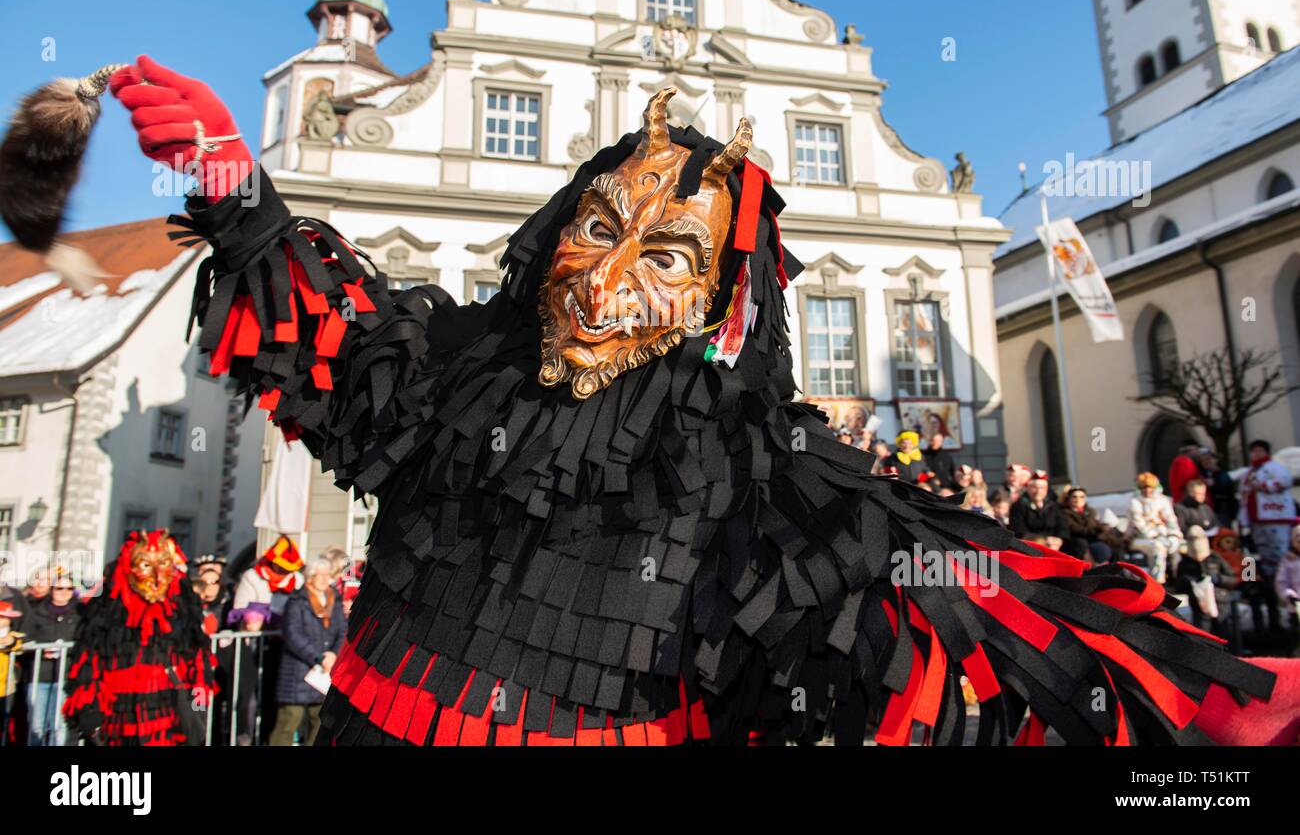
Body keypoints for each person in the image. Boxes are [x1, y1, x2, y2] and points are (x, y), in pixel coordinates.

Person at [100, 56, 1296, 746]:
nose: (610, 277)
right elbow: (328, 349)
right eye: (600, 227)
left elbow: (962, 595)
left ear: (721, 306)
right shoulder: (457, 376)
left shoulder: (749, 471)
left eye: (668, 257)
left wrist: (1218, 696)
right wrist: (239, 197)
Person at [63, 531, 217, 745]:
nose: (156, 576)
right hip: (117, 716)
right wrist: (89, 711)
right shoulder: (107, 612)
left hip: (167, 715)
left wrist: (198, 710)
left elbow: (198, 666)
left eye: (163, 564)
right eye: (145, 565)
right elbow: (88, 662)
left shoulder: (181, 610)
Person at [270, 558, 345, 746]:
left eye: (327, 574)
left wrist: (333, 654)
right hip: (298, 670)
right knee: (289, 721)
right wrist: (317, 657)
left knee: (319, 722)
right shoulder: (297, 600)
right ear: (310, 576)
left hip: (323, 672)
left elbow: (342, 629)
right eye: (320, 574)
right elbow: (293, 634)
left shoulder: (333, 598)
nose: (324, 578)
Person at [1238, 439, 1298, 628]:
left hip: (1274, 515)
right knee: (1251, 556)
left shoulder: (1273, 467)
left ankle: (1275, 612)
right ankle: (1254, 595)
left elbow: (1285, 481)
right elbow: (1244, 496)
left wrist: (1263, 486)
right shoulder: (1250, 471)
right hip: (1254, 520)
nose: (1256, 454)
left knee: (1275, 555)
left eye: (1259, 451)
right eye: (1253, 451)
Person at [24, 571, 80, 745]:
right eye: (59, 588)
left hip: (66, 676)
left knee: (59, 726)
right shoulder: (36, 613)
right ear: (52, 590)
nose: (64, 592)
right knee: (37, 725)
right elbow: (25, 637)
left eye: (69, 588)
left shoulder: (79, 614)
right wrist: (40, 648)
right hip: (40, 676)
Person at [1174, 526, 1238, 638]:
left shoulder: (1215, 558)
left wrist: (1218, 579)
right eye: (1193, 539)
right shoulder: (1185, 562)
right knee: (1204, 636)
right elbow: (1178, 586)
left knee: (1225, 634)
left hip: (1220, 601)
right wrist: (1189, 582)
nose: (1196, 542)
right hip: (1199, 603)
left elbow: (1232, 578)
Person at [1128, 472, 1185, 584]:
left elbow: (1171, 519)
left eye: (1150, 487)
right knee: (1157, 548)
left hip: (1163, 535)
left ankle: (1176, 578)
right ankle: (1158, 582)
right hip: (1140, 538)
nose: (1147, 490)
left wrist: (1174, 534)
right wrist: (1156, 534)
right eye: (1144, 487)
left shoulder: (1163, 500)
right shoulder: (1135, 502)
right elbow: (1139, 525)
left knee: (1177, 546)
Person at [1058, 486, 1123, 565]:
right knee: (1082, 544)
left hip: (1092, 537)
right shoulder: (1064, 513)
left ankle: (1120, 566)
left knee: (1114, 539)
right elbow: (1074, 529)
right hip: (1077, 540)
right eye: (1074, 497)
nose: (1078, 500)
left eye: (1082, 497)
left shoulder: (1090, 511)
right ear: (1069, 498)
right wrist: (1096, 530)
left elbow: (1095, 523)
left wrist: (1104, 527)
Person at [1009, 471, 1068, 548]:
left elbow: (1063, 527)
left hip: (1054, 545)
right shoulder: (1018, 506)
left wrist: (1059, 539)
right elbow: (1018, 530)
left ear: (1046, 490)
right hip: (1030, 545)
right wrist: (1041, 541)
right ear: (1028, 488)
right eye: (1034, 487)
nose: (1038, 491)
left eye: (1042, 488)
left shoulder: (1053, 506)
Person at [0, 601, 24, 746]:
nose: (4, 621)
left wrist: (10, 641)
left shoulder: (12, 635)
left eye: (6, 618)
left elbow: (18, 644)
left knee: (5, 725)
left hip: (6, 690)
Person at [1199, 449, 1239, 527]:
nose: (1206, 462)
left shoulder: (1222, 475)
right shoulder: (1203, 475)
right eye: (1203, 460)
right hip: (1208, 511)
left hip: (1222, 510)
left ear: (1215, 460)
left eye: (1208, 459)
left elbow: (1228, 493)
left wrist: (1214, 485)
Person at [1168, 442, 1204, 508]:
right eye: (1196, 450)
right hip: (1187, 503)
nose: (1198, 452)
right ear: (1190, 451)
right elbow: (1187, 482)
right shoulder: (1184, 461)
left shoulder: (1181, 461)